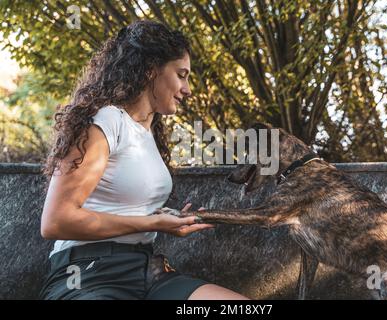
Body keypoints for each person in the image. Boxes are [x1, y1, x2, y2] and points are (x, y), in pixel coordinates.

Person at [39, 20, 248, 300]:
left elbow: (130, 209)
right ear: (151, 70)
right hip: (87, 274)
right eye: (181, 75)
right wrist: (152, 223)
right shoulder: (106, 121)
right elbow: (55, 221)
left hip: (147, 271)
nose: (187, 89)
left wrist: (169, 218)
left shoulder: (149, 132)